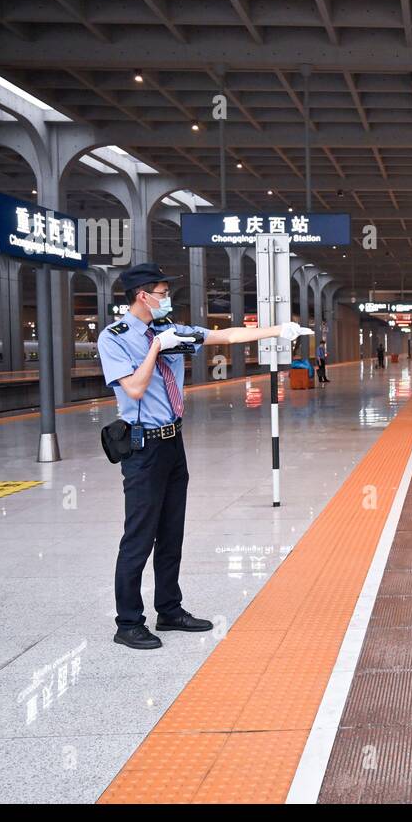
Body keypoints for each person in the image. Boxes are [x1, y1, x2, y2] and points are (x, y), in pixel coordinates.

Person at [97, 263, 309, 650]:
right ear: (143, 295)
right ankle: (127, 622)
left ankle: (170, 609)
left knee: (172, 532)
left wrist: (279, 330)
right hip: (143, 447)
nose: (167, 300)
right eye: (162, 293)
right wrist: (156, 349)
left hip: (172, 442)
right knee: (139, 537)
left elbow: (226, 336)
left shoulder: (171, 329)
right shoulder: (115, 337)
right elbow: (136, 389)